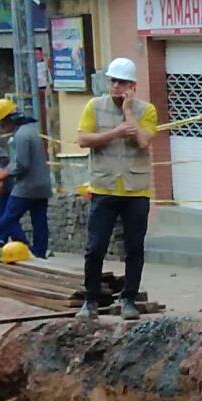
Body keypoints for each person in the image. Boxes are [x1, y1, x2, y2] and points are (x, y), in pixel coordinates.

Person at [77, 57, 158, 319]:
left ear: (132, 85)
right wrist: (114, 133)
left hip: (136, 190)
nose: (116, 86)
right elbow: (82, 139)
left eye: (122, 82)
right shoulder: (94, 106)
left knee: (134, 248)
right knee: (96, 247)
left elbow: (145, 142)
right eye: (113, 81)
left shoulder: (147, 111)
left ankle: (129, 300)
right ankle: (90, 301)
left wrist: (129, 114)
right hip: (104, 187)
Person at [0, 97, 53, 258]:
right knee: (39, 223)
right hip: (42, 185)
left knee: (7, 220)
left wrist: (5, 173)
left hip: (26, 187)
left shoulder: (21, 136)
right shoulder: (31, 131)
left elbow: (22, 164)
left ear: (9, 120)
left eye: (2, 124)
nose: (2, 128)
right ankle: (40, 254)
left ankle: (24, 249)